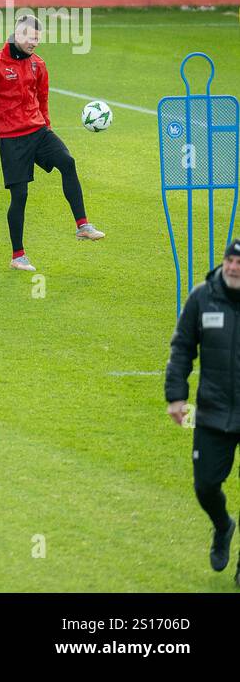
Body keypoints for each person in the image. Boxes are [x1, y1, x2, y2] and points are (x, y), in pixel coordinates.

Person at [0, 13, 105, 271]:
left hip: (38, 131)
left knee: (67, 161)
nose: (34, 43)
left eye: (37, 39)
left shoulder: (37, 64)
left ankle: (82, 225)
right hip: (11, 139)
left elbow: (42, 100)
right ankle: (18, 256)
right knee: (20, 196)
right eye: (30, 38)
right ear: (17, 34)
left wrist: (48, 130)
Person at [167, 239, 240, 582]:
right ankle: (223, 525)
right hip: (213, 411)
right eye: (230, 259)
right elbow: (183, 346)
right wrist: (176, 396)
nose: (233, 266)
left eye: (239, 262)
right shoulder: (202, 297)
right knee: (205, 485)